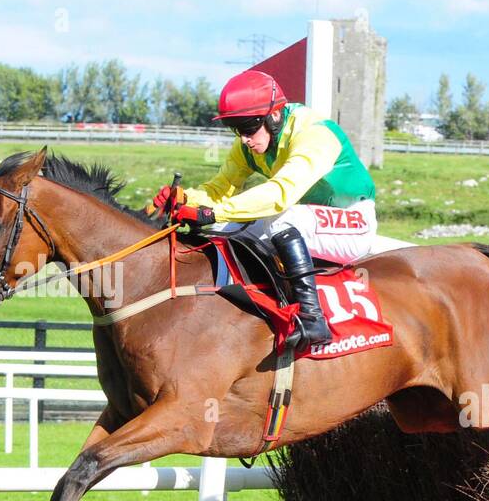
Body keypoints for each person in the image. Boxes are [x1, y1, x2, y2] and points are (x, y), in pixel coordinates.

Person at [153, 69, 378, 353]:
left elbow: (281, 194)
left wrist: (213, 212)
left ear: (274, 115)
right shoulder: (251, 143)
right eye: (237, 129)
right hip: (307, 220)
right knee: (220, 230)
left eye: (248, 127)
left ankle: (312, 318)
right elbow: (220, 188)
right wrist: (186, 199)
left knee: (278, 219)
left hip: (354, 221)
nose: (244, 139)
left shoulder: (316, 133)